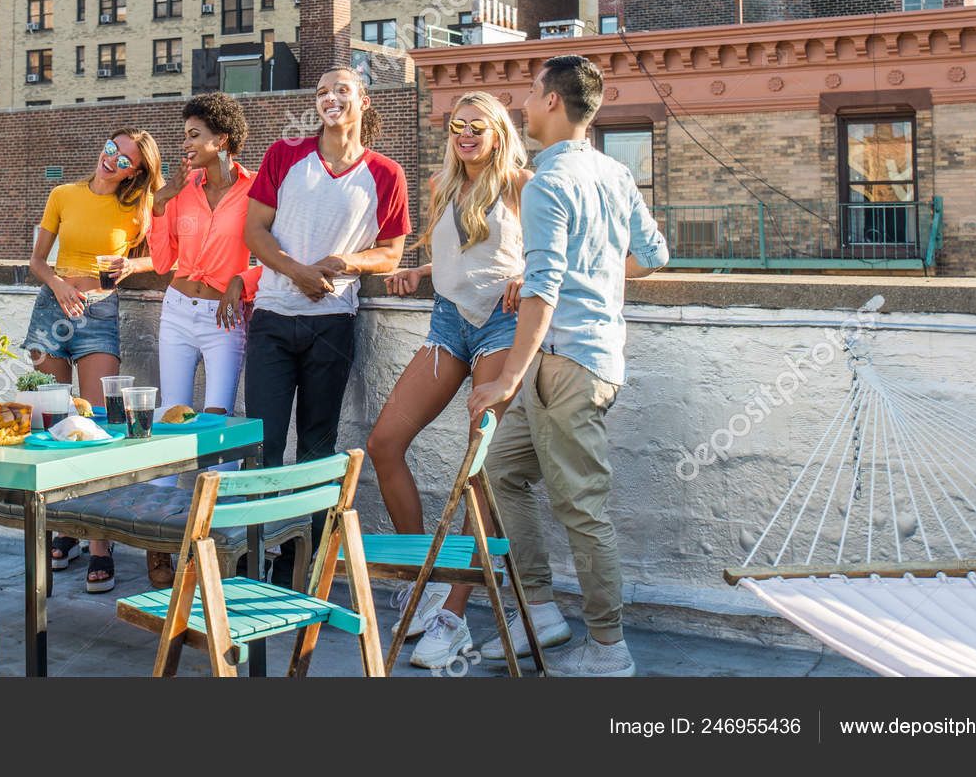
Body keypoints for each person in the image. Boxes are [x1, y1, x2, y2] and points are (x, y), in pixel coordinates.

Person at [467, 55, 668, 678]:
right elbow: (653, 255)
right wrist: (598, 275)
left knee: (582, 505)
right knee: (502, 469)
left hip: (567, 365)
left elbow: (542, 291)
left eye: (530, 91)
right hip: (583, 360)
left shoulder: (546, 184)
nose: (523, 102)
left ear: (553, 101)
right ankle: (542, 613)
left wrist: (505, 378)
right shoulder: (614, 171)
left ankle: (609, 649)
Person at [365, 90, 545, 668]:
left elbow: (549, 250)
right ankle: (426, 581)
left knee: (478, 472)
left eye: (477, 126)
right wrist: (420, 269)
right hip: (447, 322)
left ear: (498, 131)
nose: (465, 134)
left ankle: (455, 616)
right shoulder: (446, 185)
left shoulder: (521, 183)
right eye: (457, 125)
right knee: (384, 443)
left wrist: (528, 275)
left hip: (500, 325)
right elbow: (460, 253)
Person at [244, 66, 410, 586]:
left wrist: (344, 264)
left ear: (363, 101)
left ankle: (308, 564)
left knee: (319, 447)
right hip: (272, 318)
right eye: (321, 90)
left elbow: (391, 254)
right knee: (264, 444)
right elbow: (254, 231)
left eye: (341, 89)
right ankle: (254, 557)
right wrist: (296, 271)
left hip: (331, 326)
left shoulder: (386, 173)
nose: (329, 97)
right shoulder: (284, 154)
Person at [25, 126, 162, 592]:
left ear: (137, 171)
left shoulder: (138, 207)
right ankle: (65, 529)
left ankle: (100, 542)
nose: (113, 160)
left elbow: (163, 256)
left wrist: (133, 264)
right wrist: (60, 286)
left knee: (100, 424)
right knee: (55, 423)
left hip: (100, 312)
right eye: (111, 149)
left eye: (125, 159)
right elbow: (37, 261)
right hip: (52, 309)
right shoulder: (63, 193)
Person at [146, 93, 261, 585]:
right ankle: (159, 542)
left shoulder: (258, 189)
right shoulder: (181, 190)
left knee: (218, 425)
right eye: (185, 134)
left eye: (195, 135)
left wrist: (243, 281)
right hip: (176, 310)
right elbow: (158, 261)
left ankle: (216, 541)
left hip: (225, 318)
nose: (185, 143)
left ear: (223, 140)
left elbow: (268, 254)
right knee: (170, 416)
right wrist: (159, 204)